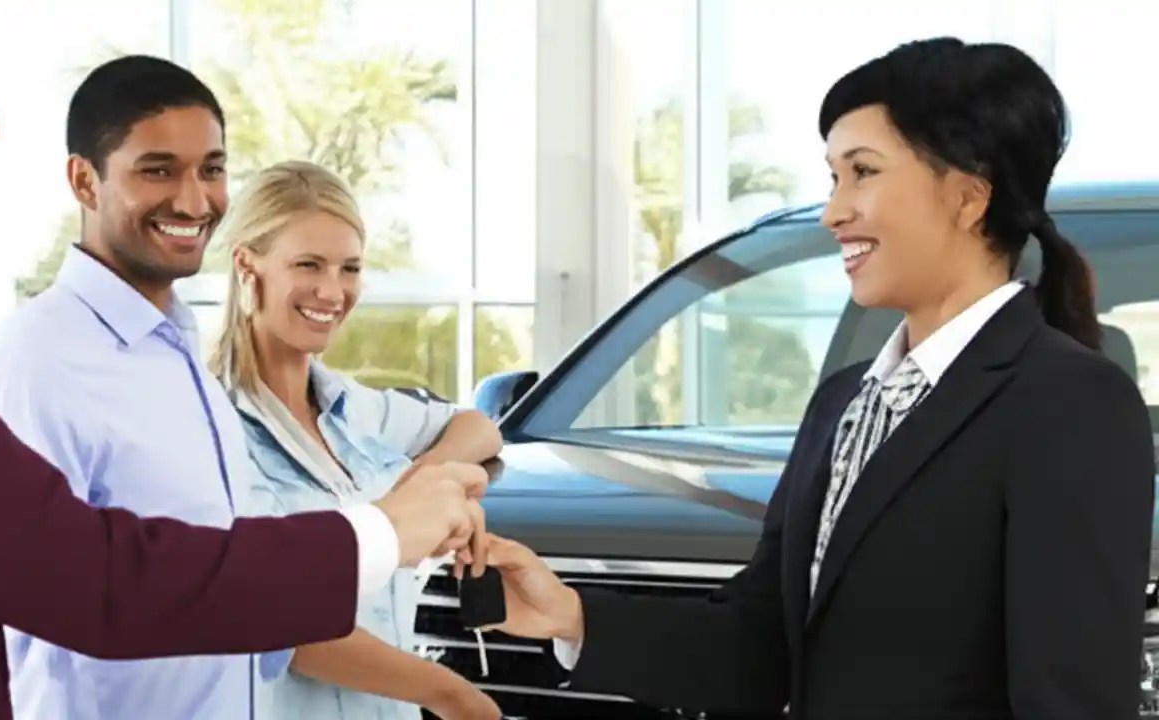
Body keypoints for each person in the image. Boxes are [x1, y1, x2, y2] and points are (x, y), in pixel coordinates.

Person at [474, 37, 1156, 720]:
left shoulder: (1069, 404)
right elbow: (763, 647)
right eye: (834, 178)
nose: (834, 211)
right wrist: (568, 615)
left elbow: (1073, 703)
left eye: (863, 172)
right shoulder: (846, 401)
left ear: (968, 195)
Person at [0, 2, 485, 718]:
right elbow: (77, 582)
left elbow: (206, 581)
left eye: (212, 170)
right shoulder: (24, 357)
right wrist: (380, 533)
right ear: (85, 182)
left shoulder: (183, 357)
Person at [207, 159, 503, 719]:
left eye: (349, 268)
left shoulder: (352, 407)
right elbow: (286, 627)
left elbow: (479, 428)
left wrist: (426, 482)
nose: (332, 290)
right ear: (248, 267)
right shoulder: (211, 425)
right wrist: (450, 693)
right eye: (308, 265)